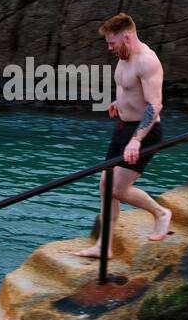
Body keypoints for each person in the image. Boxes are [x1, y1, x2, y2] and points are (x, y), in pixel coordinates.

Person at [73, 13, 174, 259]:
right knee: (105, 186)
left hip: (145, 132)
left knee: (118, 189)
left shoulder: (147, 61)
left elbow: (155, 105)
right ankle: (103, 246)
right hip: (122, 128)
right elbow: (130, 88)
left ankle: (161, 214)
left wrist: (136, 140)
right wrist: (119, 102)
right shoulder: (123, 55)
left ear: (126, 37)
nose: (109, 47)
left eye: (111, 42)